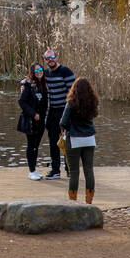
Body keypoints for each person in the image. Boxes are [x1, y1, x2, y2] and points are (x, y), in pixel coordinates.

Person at [60, 77, 99, 204]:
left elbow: (63, 122)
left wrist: (68, 129)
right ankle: (89, 200)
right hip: (89, 139)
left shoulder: (71, 103)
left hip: (74, 139)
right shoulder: (93, 101)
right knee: (89, 169)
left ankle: (73, 201)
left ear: (74, 89)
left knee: (74, 172)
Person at [41, 48, 75, 179]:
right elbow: (32, 79)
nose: (50, 60)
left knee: (67, 141)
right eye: (47, 58)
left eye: (52, 57)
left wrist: (70, 113)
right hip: (52, 111)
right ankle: (55, 170)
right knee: (53, 141)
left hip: (65, 110)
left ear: (57, 57)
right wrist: (23, 84)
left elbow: (73, 93)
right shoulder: (45, 73)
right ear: (45, 61)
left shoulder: (65, 71)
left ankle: (69, 169)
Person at [17, 63, 47, 180]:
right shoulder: (28, 84)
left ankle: (34, 170)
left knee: (36, 145)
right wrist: (33, 114)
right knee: (31, 145)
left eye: (41, 69)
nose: (39, 72)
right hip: (30, 121)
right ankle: (31, 171)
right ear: (32, 72)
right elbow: (21, 101)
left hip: (41, 120)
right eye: (36, 70)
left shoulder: (44, 83)